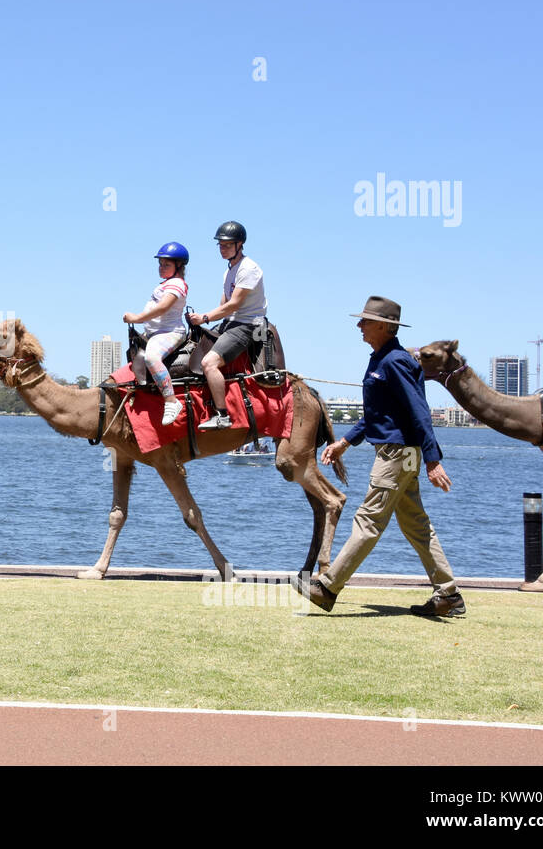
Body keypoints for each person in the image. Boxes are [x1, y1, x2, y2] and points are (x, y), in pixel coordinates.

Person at [296, 296, 465, 617]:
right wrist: (345, 442)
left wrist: (433, 459)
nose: (359, 325)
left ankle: (327, 587)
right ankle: (448, 594)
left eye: (365, 320)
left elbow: (419, 412)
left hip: (398, 455)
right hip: (395, 453)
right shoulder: (380, 359)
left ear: (386, 326)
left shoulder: (395, 361)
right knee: (416, 524)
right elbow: (377, 414)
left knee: (368, 520)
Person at [186, 221, 267, 430]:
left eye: (227, 245)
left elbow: (234, 305)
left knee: (209, 363)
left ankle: (222, 415)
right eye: (220, 245)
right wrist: (202, 321)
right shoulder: (229, 270)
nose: (223, 249)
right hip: (230, 322)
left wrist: (205, 317)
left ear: (240, 244)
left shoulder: (249, 269)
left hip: (248, 325)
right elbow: (223, 304)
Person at [123, 242, 190, 426]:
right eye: (160, 264)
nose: (161, 268)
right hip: (153, 333)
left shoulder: (177, 283)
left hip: (169, 333)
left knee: (152, 358)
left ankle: (171, 401)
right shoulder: (165, 284)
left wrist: (137, 318)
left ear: (179, 266)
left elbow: (163, 307)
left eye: (166, 264)